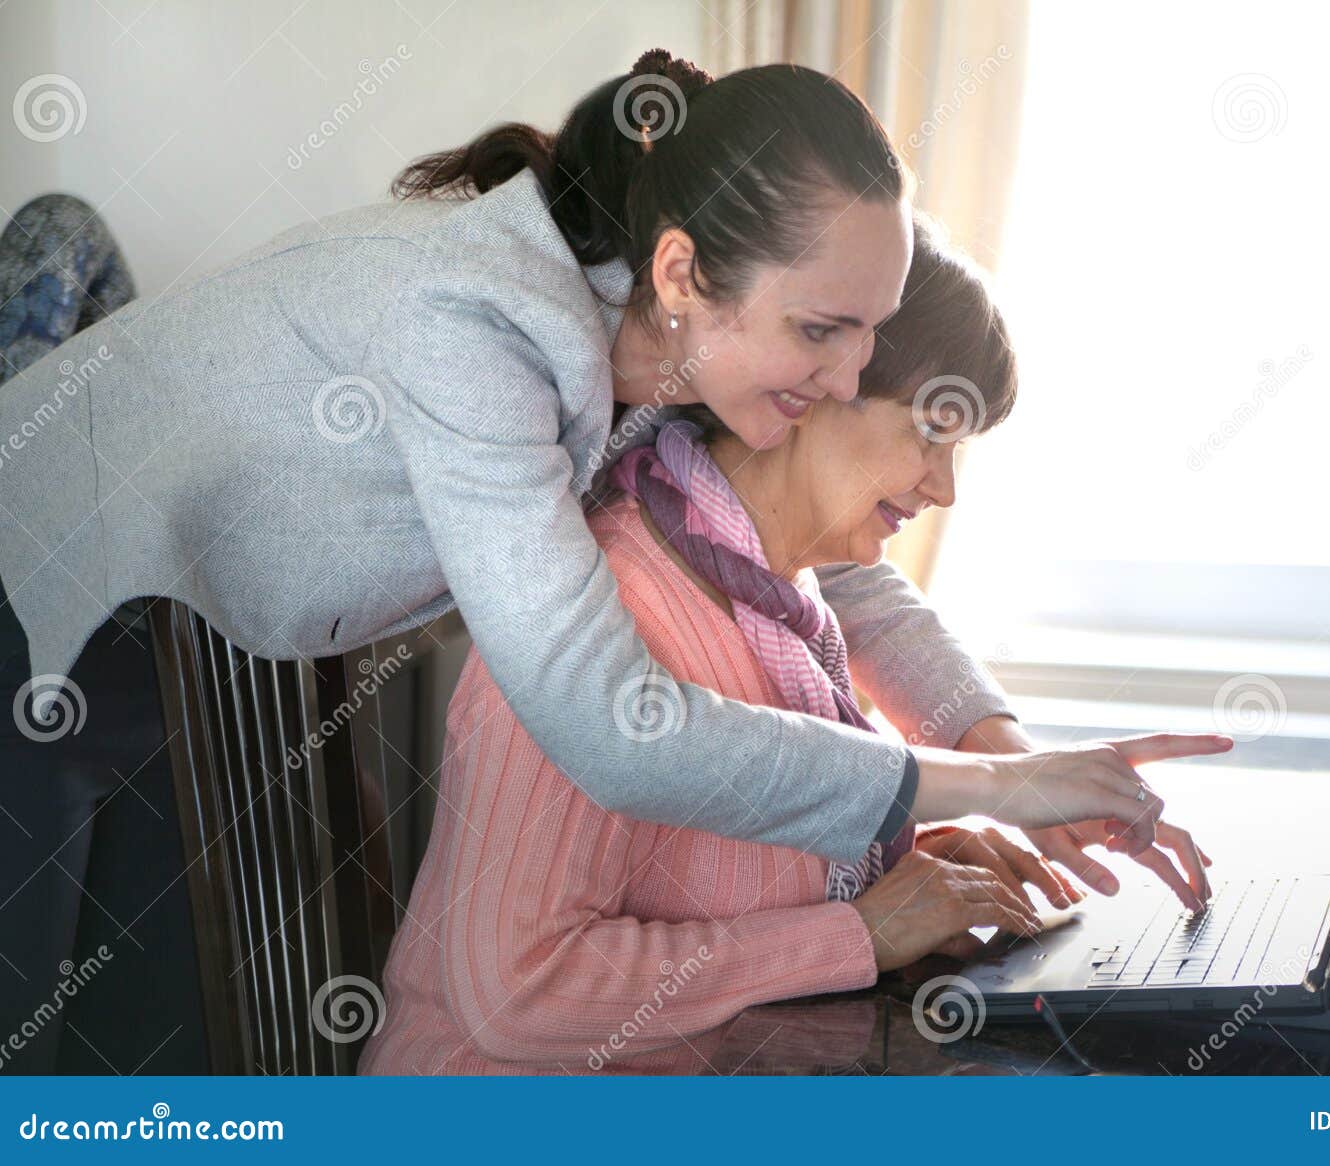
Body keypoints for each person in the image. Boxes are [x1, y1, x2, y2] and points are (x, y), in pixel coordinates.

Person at [0, 51, 1224, 1067]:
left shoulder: (666, 341)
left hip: (168, 608)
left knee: (132, 1052)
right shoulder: (475, 329)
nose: (852, 379)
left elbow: (818, 552)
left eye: (865, 338)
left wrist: (1001, 748)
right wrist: (982, 798)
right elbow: (609, 725)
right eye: (824, 333)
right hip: (34, 586)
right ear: (689, 271)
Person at [359, 221, 1220, 1075]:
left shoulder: (779, 591)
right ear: (809, 388)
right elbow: (517, 994)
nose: (945, 486)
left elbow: (733, 865)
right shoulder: (595, 622)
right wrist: (858, 934)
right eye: (929, 432)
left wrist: (907, 875)